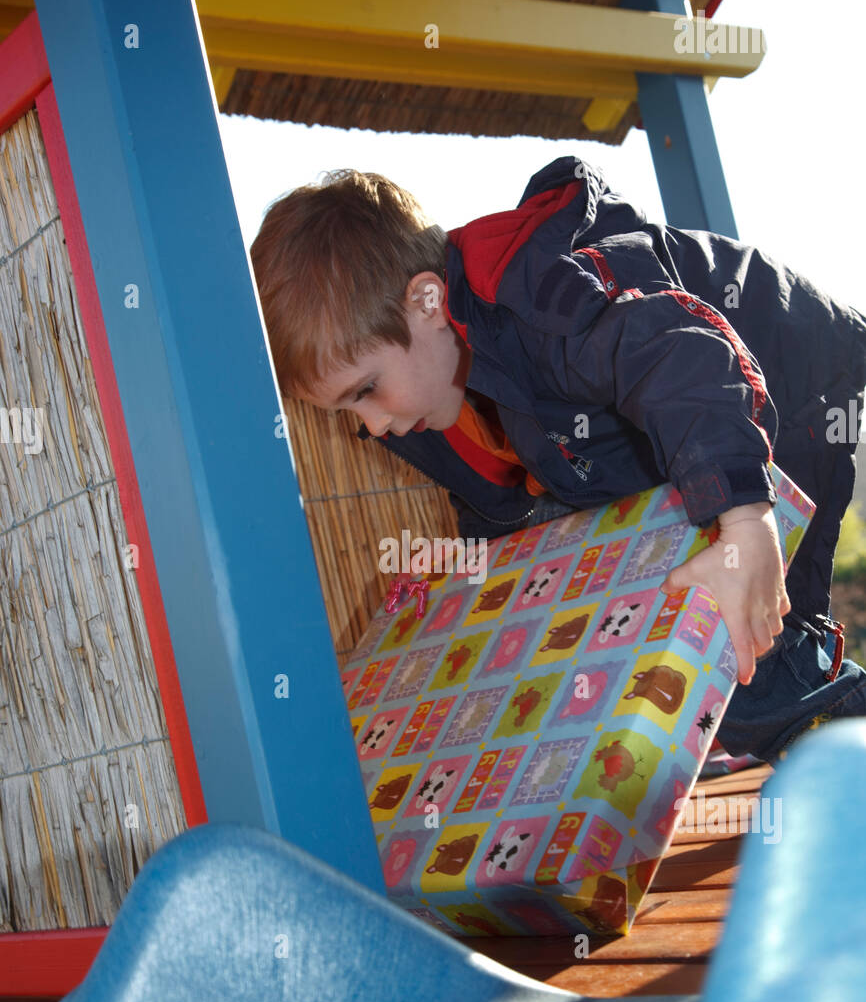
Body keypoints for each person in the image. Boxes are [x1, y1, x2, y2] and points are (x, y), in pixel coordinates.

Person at [250, 156, 866, 764]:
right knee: (722, 639)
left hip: (783, 375)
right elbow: (501, 519)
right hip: (684, 433)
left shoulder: (541, 294)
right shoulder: (430, 409)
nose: (372, 424)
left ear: (428, 301)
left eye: (365, 391)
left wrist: (745, 523)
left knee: (754, 647)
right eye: (348, 413)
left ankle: (830, 745)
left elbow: (684, 362)